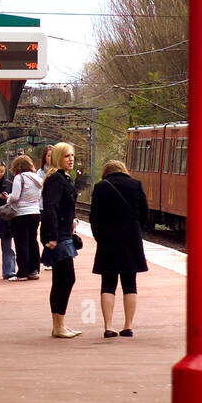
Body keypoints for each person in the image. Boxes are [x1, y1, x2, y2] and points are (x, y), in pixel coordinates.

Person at [89, 160, 149, 338]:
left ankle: (108, 327)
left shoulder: (100, 187)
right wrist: (136, 231)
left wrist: (99, 237)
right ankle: (128, 326)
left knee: (108, 283)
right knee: (130, 284)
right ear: (124, 170)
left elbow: (94, 217)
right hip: (131, 238)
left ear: (106, 173)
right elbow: (144, 213)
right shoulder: (136, 185)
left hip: (108, 238)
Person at [40, 142, 81, 338]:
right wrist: (53, 237)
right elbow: (50, 208)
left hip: (64, 234)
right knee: (65, 279)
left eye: (72, 155)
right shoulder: (56, 180)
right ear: (58, 158)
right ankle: (58, 325)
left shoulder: (63, 178)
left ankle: (59, 324)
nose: (71, 159)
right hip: (59, 236)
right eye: (66, 156)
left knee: (61, 279)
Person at [6, 154, 42, 280]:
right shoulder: (37, 178)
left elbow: (15, 196)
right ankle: (34, 270)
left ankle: (22, 272)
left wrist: (8, 198)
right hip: (35, 213)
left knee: (21, 243)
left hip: (21, 214)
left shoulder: (19, 178)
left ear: (17, 166)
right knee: (33, 242)